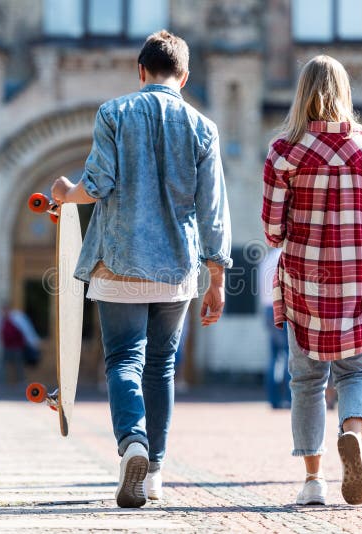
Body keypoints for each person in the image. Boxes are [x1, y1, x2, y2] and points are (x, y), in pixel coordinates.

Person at [50, 30, 231, 509]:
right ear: (185, 77)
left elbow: (99, 183)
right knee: (162, 366)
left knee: (123, 360)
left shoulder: (114, 113)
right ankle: (154, 474)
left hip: (119, 263)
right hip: (176, 266)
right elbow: (213, 209)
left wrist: (68, 192)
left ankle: (132, 441)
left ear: (140, 70)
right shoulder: (203, 127)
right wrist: (217, 276)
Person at [262, 55, 362, 506]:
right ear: (344, 92)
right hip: (358, 279)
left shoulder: (284, 152)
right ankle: (353, 430)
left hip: (306, 279)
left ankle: (313, 481)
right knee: (358, 371)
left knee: (306, 382)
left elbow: (271, 229)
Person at [259, 247, 291, 409]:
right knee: (290, 353)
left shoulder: (267, 258)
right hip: (282, 306)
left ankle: (274, 398)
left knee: (274, 355)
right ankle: (291, 398)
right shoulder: (286, 256)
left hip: (266, 307)